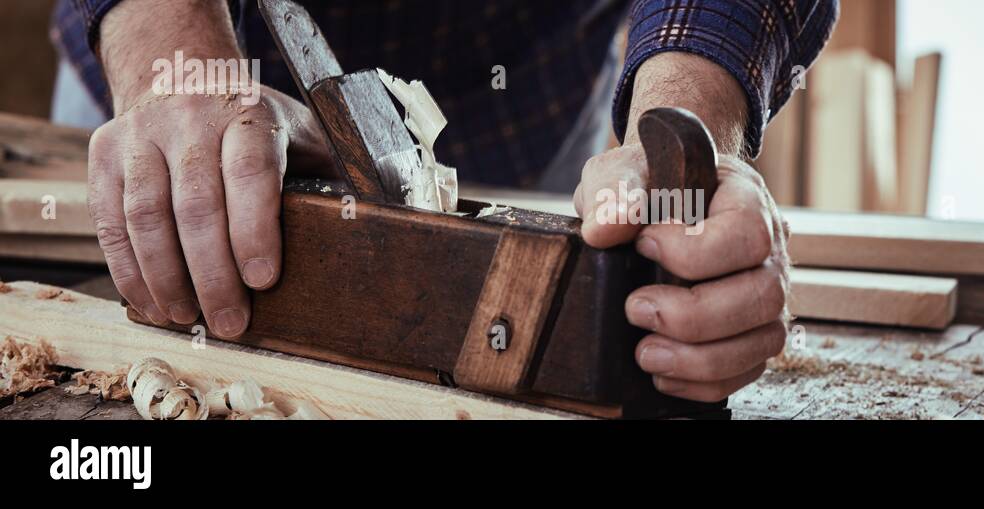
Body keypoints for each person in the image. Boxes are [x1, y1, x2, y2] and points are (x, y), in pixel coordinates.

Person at [50, 0, 838, 402]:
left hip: (526, 88)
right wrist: (170, 61)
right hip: (184, 85)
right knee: (164, 195)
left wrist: (687, 119)